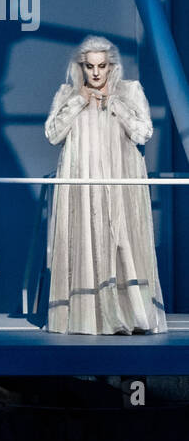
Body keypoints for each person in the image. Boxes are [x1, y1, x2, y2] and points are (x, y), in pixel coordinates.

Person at [44, 35, 165, 334]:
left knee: (123, 246)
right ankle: (87, 319)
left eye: (102, 66)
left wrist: (116, 105)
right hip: (81, 187)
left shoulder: (130, 90)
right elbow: (52, 134)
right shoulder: (67, 93)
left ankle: (130, 314)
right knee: (85, 245)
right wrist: (78, 102)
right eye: (89, 66)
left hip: (120, 184)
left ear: (112, 66)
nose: (96, 73)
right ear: (81, 67)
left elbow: (144, 133)